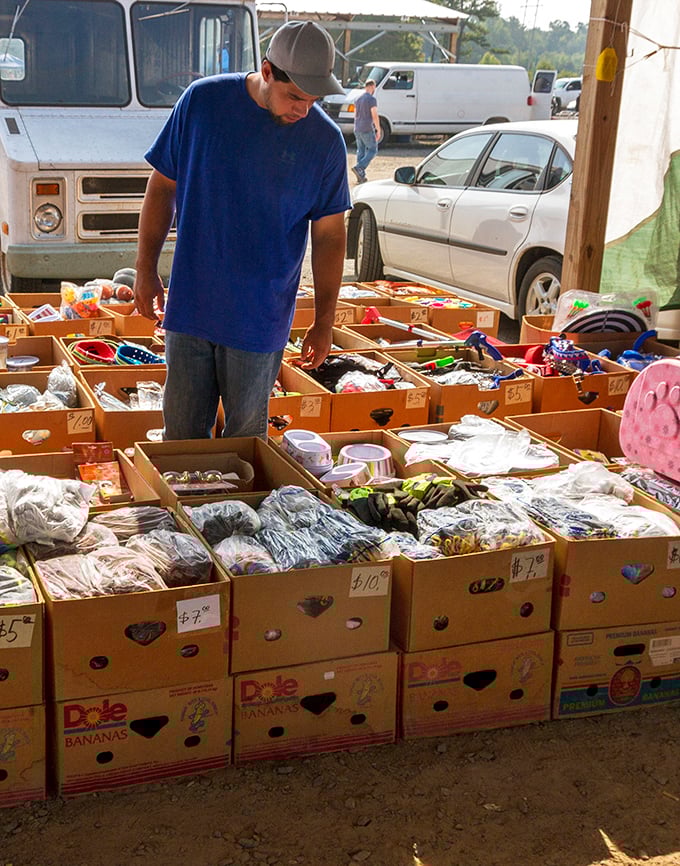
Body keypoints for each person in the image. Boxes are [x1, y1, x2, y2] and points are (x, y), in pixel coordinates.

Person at [133, 21, 350, 440]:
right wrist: (145, 268)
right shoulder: (202, 102)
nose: (304, 109)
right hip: (192, 306)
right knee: (181, 436)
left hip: (260, 318)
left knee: (247, 441)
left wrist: (325, 320)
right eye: (295, 97)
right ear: (267, 71)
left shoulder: (324, 142)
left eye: (314, 99)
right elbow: (162, 187)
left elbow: (330, 237)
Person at [351, 79, 379, 183]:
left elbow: (355, 114)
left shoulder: (357, 99)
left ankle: (361, 176)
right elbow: (374, 115)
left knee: (361, 151)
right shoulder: (371, 99)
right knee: (372, 150)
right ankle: (359, 167)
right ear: (372, 86)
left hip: (357, 127)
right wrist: (378, 129)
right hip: (367, 128)